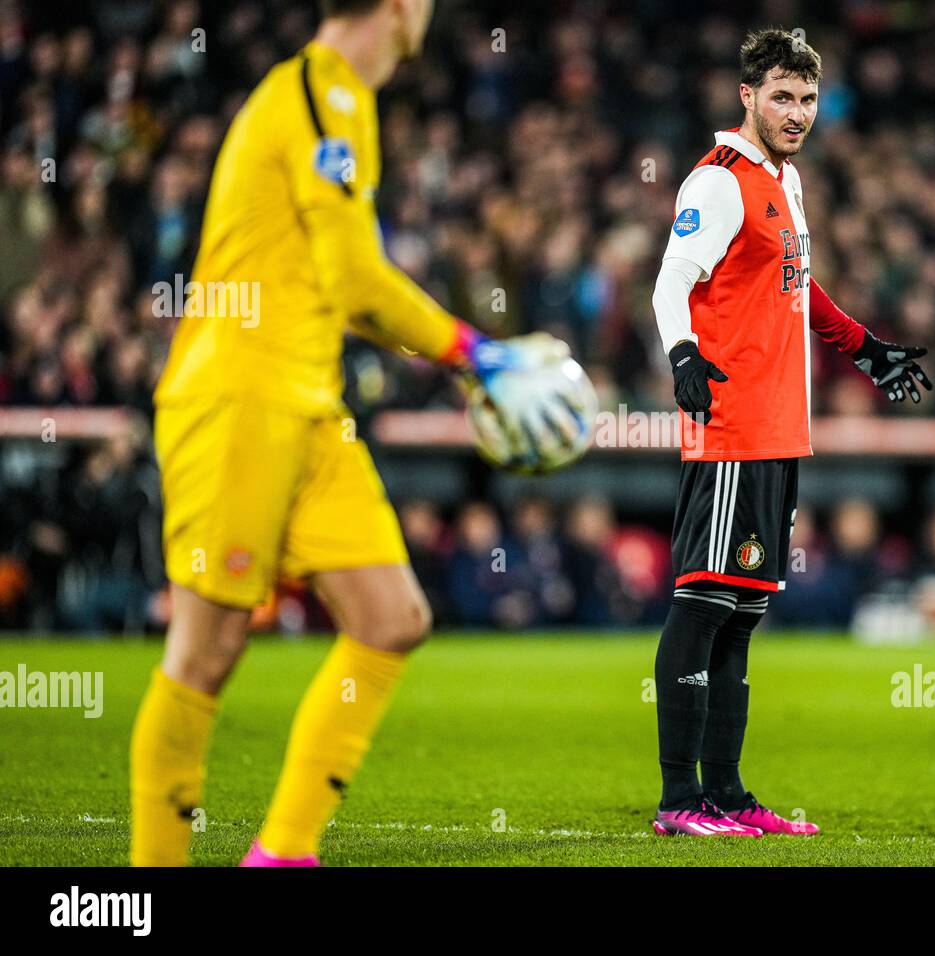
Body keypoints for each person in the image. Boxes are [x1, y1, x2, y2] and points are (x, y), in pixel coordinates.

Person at [131, 0, 572, 867]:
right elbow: (355, 277)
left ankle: (283, 855)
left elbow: (337, 285)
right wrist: (473, 351)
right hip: (238, 399)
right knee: (208, 648)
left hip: (307, 403)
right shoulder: (317, 96)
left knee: (391, 616)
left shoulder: (336, 101)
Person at [647, 28, 931, 837]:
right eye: (782, 96)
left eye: (807, 98)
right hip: (731, 424)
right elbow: (671, 283)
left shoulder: (787, 181)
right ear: (747, 96)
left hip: (781, 431)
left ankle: (728, 797)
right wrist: (683, 356)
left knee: (742, 617)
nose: (797, 112)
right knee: (702, 606)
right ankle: (678, 801)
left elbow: (798, 292)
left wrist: (863, 347)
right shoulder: (721, 182)